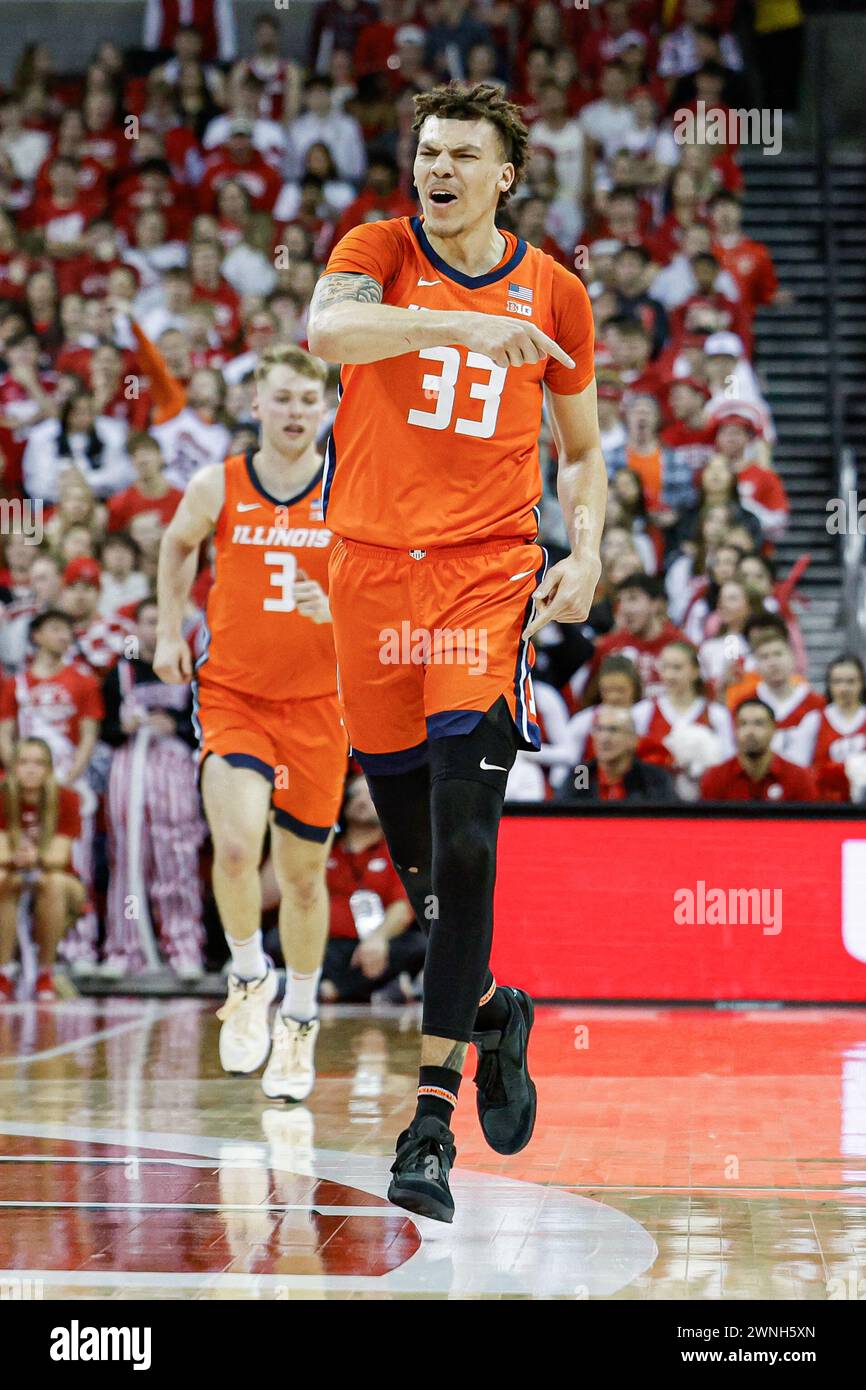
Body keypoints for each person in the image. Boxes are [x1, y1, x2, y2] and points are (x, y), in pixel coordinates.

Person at [306, 81, 606, 1222]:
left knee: (470, 849)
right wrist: (459, 324)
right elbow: (326, 332)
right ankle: (490, 1008)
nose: (436, 168)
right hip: (366, 578)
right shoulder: (376, 249)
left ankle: (426, 1122)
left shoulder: (558, 295)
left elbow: (581, 453)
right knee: (429, 884)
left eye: (459, 155)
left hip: (483, 581)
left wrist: (580, 551)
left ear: (503, 176)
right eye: (426, 151)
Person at [154, 344, 348, 1102]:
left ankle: (299, 1020)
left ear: (326, 408)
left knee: (300, 880)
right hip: (234, 694)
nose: (297, 410)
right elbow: (176, 544)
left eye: (310, 398)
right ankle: (245, 976)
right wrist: (170, 631)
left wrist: (337, 610)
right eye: (284, 398)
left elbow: (393, 583)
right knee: (235, 847)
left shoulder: (349, 489)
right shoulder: (218, 484)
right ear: (257, 407)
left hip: (319, 706)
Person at [101, 598, 206, 977]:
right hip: (130, 768)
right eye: (148, 620)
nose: (154, 626)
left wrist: (175, 726)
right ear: (136, 628)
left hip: (174, 767)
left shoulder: (189, 671)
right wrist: (122, 728)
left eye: (163, 619)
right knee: (128, 855)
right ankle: (124, 947)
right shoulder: (121, 673)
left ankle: (183, 945)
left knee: (176, 855)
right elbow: (103, 729)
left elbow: (203, 727)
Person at [0, 737, 85, 1002]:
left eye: (38, 763)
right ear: (13, 767)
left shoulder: (67, 798)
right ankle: (3, 972)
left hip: (60, 881)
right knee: (2, 878)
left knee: (53, 883)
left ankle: (45, 972)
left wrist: (32, 857)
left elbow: (58, 857)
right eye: (24, 762)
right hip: (12, 874)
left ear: (49, 768)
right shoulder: (2, 796)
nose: (31, 769)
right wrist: (20, 858)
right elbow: (2, 854)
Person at [700, 698, 817, 802]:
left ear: (774, 729)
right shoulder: (716, 778)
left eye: (759, 724)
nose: (750, 731)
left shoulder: (798, 779)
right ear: (735, 730)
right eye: (743, 724)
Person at [555, 704, 677, 804]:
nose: (604, 738)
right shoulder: (582, 774)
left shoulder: (653, 778)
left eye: (613, 730)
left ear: (634, 740)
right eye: (599, 729)